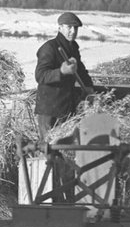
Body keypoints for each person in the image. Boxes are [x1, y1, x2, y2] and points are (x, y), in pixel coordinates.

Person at [34, 12, 95, 143]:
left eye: (76, 28)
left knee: (64, 147)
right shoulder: (49, 48)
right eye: (69, 27)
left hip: (66, 108)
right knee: (48, 147)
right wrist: (61, 72)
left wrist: (89, 87)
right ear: (60, 27)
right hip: (49, 109)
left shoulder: (73, 48)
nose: (73, 31)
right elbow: (40, 75)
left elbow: (81, 71)